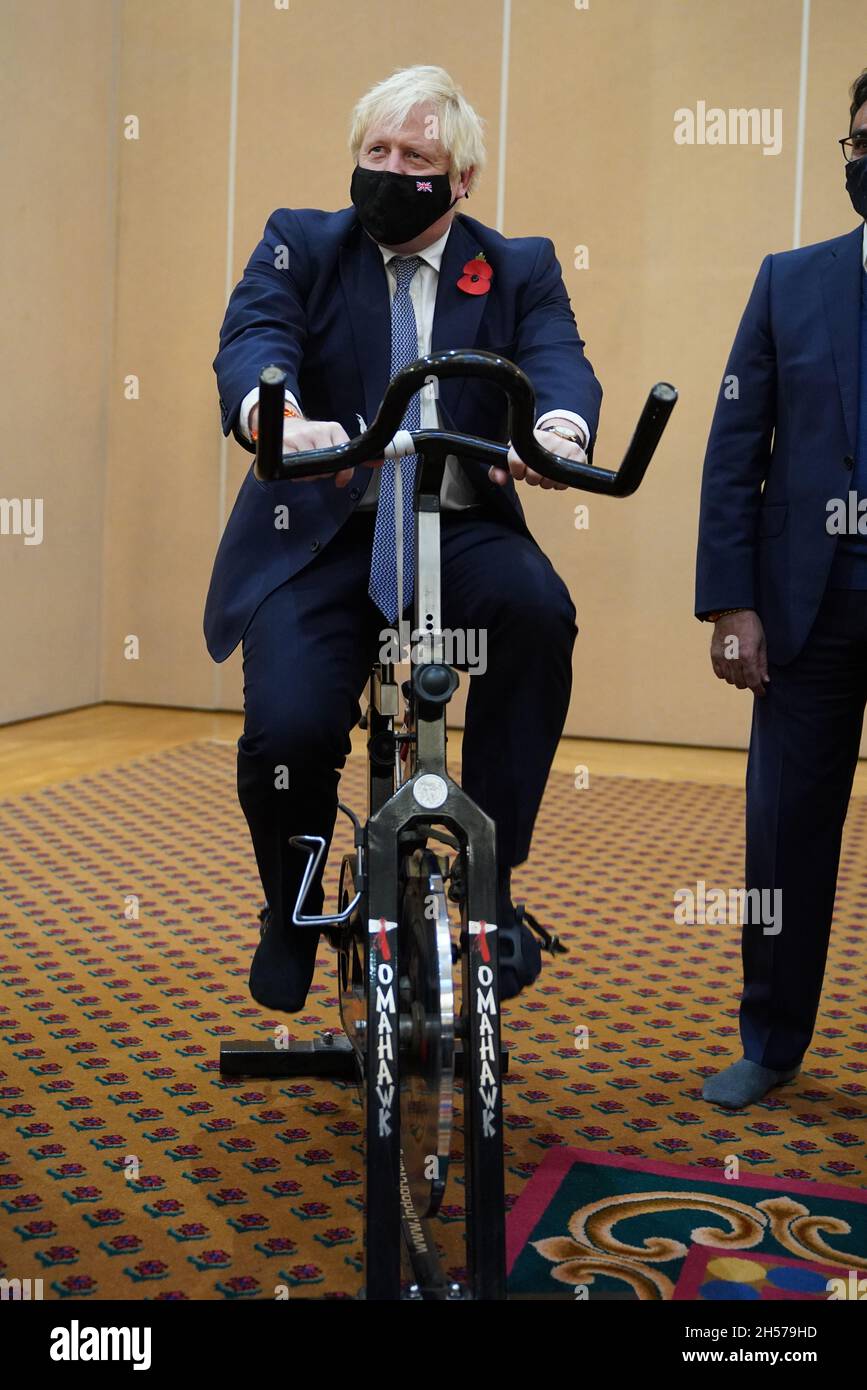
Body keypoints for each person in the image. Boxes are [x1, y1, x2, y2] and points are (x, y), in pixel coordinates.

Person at [205, 64, 602, 1012]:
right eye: (375, 152)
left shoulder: (517, 265)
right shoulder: (301, 241)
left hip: (457, 524)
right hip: (323, 533)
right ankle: (290, 901)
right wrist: (278, 415)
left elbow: (557, 360)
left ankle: (492, 885)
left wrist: (556, 430)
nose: (390, 170)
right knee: (290, 731)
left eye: (415, 156)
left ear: (459, 179)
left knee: (538, 616)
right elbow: (254, 337)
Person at [695, 68, 867, 1108]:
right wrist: (731, 601)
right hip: (811, 608)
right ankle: (771, 1037)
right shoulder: (789, 281)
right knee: (786, 831)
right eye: (861, 136)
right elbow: (732, 454)